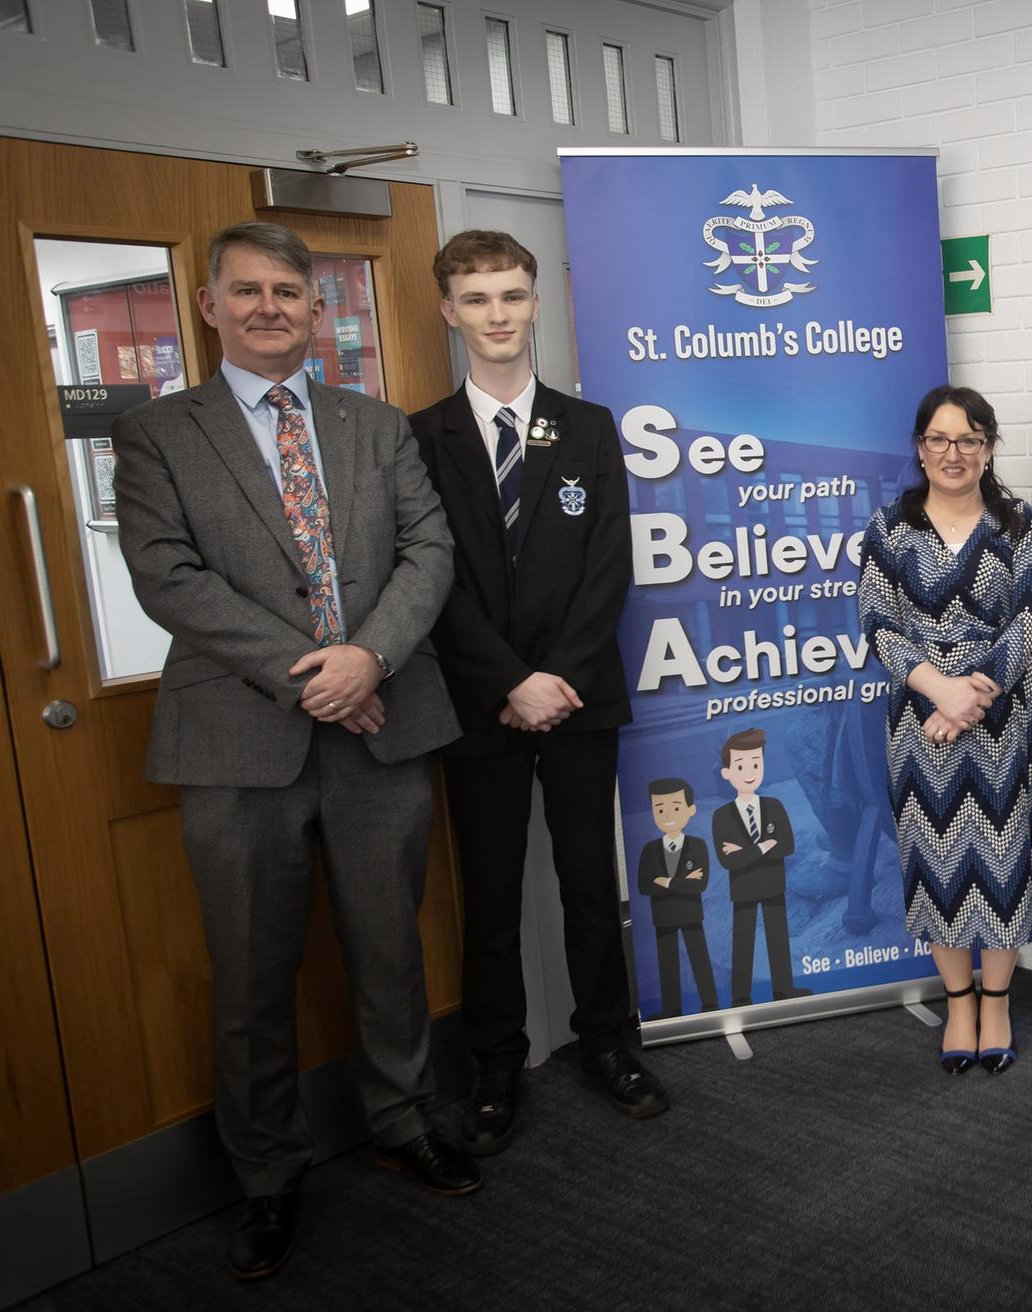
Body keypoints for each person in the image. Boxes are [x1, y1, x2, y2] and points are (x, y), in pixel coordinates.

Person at [113, 221, 474, 1281]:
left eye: (289, 291)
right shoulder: (158, 433)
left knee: (389, 949)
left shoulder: (373, 425)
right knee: (251, 972)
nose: (270, 305)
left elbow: (429, 548)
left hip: (383, 727)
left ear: (319, 312)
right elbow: (167, 576)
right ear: (209, 304)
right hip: (236, 742)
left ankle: (402, 1122)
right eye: (248, 290)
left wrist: (369, 656)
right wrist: (319, 671)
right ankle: (266, 1175)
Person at [409, 229, 667, 1158]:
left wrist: (553, 678)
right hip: (482, 705)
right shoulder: (421, 437)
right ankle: (495, 1067)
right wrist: (510, 681)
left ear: (534, 304)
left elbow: (609, 569)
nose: (497, 316)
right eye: (477, 300)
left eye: (512, 296)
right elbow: (430, 579)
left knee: (591, 885)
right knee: (489, 895)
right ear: (450, 311)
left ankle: (609, 1046)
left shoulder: (589, 427)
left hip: (578, 697)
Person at [858, 385, 1032, 1074]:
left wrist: (972, 694)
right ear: (920, 448)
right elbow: (877, 622)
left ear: (988, 447)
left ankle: (997, 1001)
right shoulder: (889, 529)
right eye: (939, 439)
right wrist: (938, 689)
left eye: (968, 439)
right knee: (935, 865)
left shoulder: (1018, 523)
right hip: (920, 718)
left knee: (1002, 862)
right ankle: (959, 1002)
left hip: (1004, 716)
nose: (953, 453)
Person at [713, 727, 813, 1005]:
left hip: (772, 882)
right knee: (743, 939)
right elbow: (727, 859)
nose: (749, 771)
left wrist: (748, 851)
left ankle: (784, 988)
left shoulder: (774, 806)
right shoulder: (722, 816)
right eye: (741, 765)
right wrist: (762, 846)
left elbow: (786, 846)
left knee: (777, 938)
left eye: (755, 763)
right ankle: (740, 996)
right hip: (743, 887)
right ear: (726, 773)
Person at [638, 778, 719, 1017]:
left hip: (691, 912)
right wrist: (683, 882)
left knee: (699, 957)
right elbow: (644, 885)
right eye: (660, 809)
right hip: (662, 915)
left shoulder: (698, 846)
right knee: (667, 963)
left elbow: (699, 884)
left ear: (690, 810)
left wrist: (667, 881)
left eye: (675, 807)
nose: (668, 815)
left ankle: (711, 1004)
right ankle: (671, 1009)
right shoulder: (649, 850)